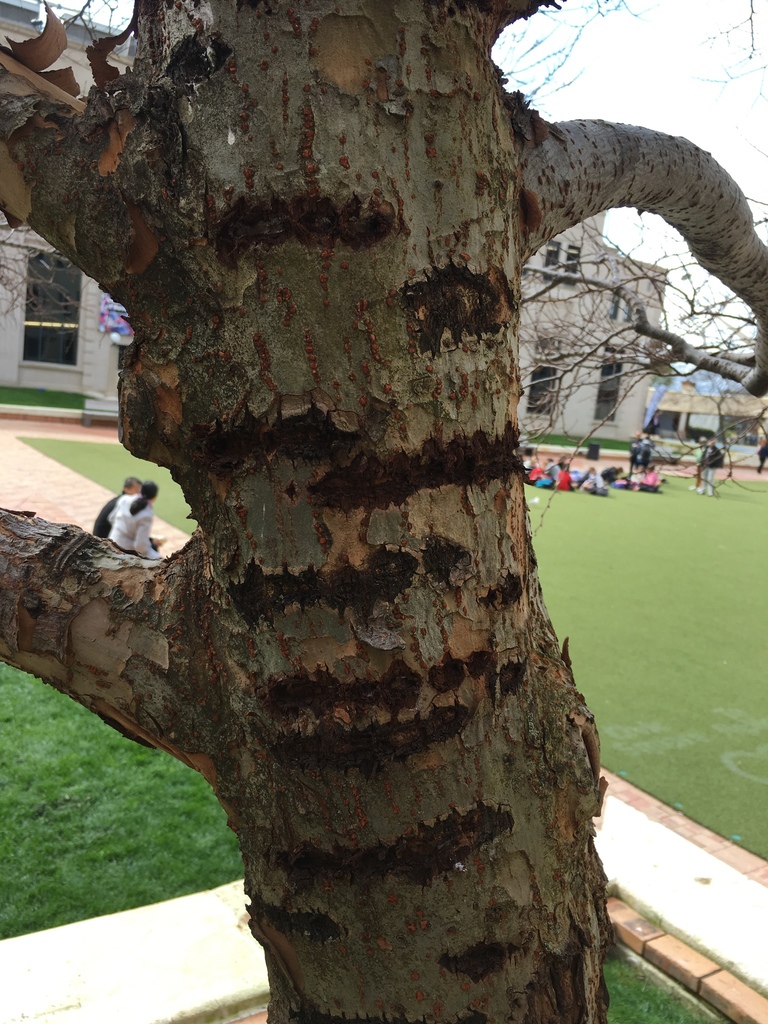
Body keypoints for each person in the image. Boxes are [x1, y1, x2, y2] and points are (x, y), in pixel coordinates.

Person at [108, 481, 162, 558]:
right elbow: (141, 547)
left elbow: (111, 518)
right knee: (160, 560)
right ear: (154, 497)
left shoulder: (124, 499)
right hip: (125, 552)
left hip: (111, 543)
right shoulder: (147, 515)